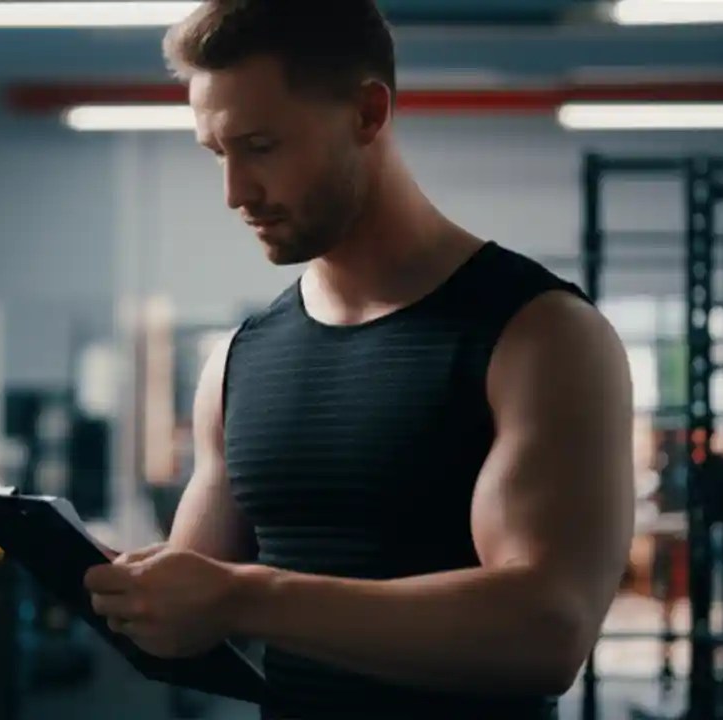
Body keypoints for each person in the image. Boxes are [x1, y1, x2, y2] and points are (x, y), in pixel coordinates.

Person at [83, 2, 635, 718]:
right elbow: (188, 624)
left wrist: (248, 596)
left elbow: (547, 630)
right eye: (219, 154)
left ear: (368, 114)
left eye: (261, 145)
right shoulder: (238, 362)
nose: (235, 193)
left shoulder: (540, 336)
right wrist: (120, 585)